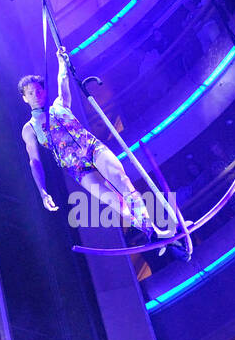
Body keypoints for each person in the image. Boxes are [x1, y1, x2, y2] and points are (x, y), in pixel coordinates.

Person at [19, 47, 170, 241]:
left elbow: (62, 79)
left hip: (93, 149)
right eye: (30, 93)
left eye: (38, 90)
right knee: (113, 201)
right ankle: (151, 232)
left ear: (44, 91)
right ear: (25, 98)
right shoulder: (29, 128)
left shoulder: (59, 103)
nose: (36, 94)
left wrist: (62, 61)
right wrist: (42, 191)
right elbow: (35, 162)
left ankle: (153, 228)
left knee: (123, 183)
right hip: (77, 168)